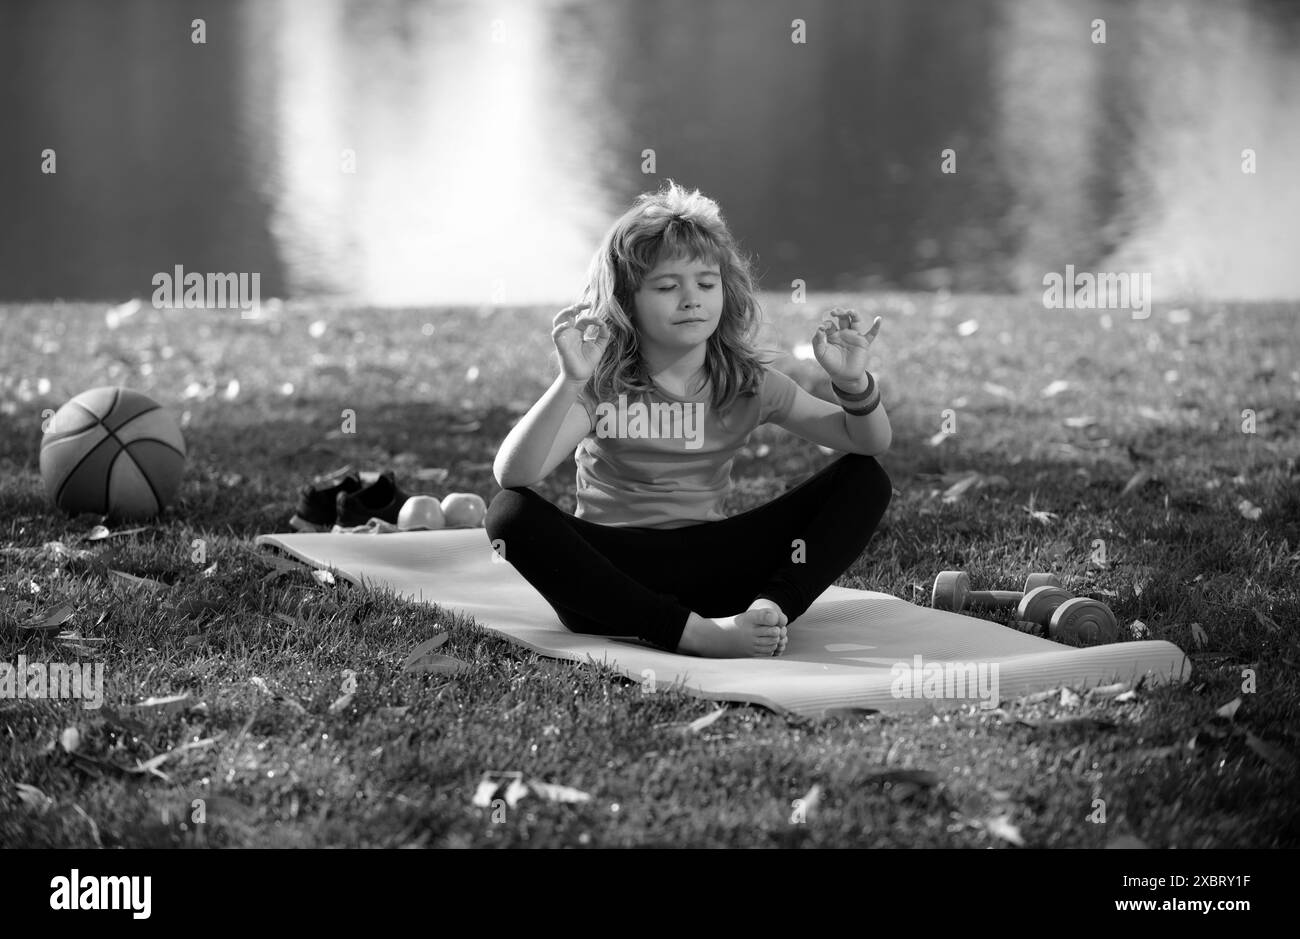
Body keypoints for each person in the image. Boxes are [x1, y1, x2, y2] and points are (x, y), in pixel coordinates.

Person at [487, 181, 893, 658]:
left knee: (865, 479)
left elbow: (866, 441)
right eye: (666, 286)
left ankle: (768, 611)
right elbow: (515, 475)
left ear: (726, 291)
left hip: (717, 574)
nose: (691, 299)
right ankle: (695, 635)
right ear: (626, 301)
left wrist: (852, 383)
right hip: (614, 579)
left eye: (705, 283)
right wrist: (570, 380)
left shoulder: (749, 384)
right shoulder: (605, 387)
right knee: (509, 514)